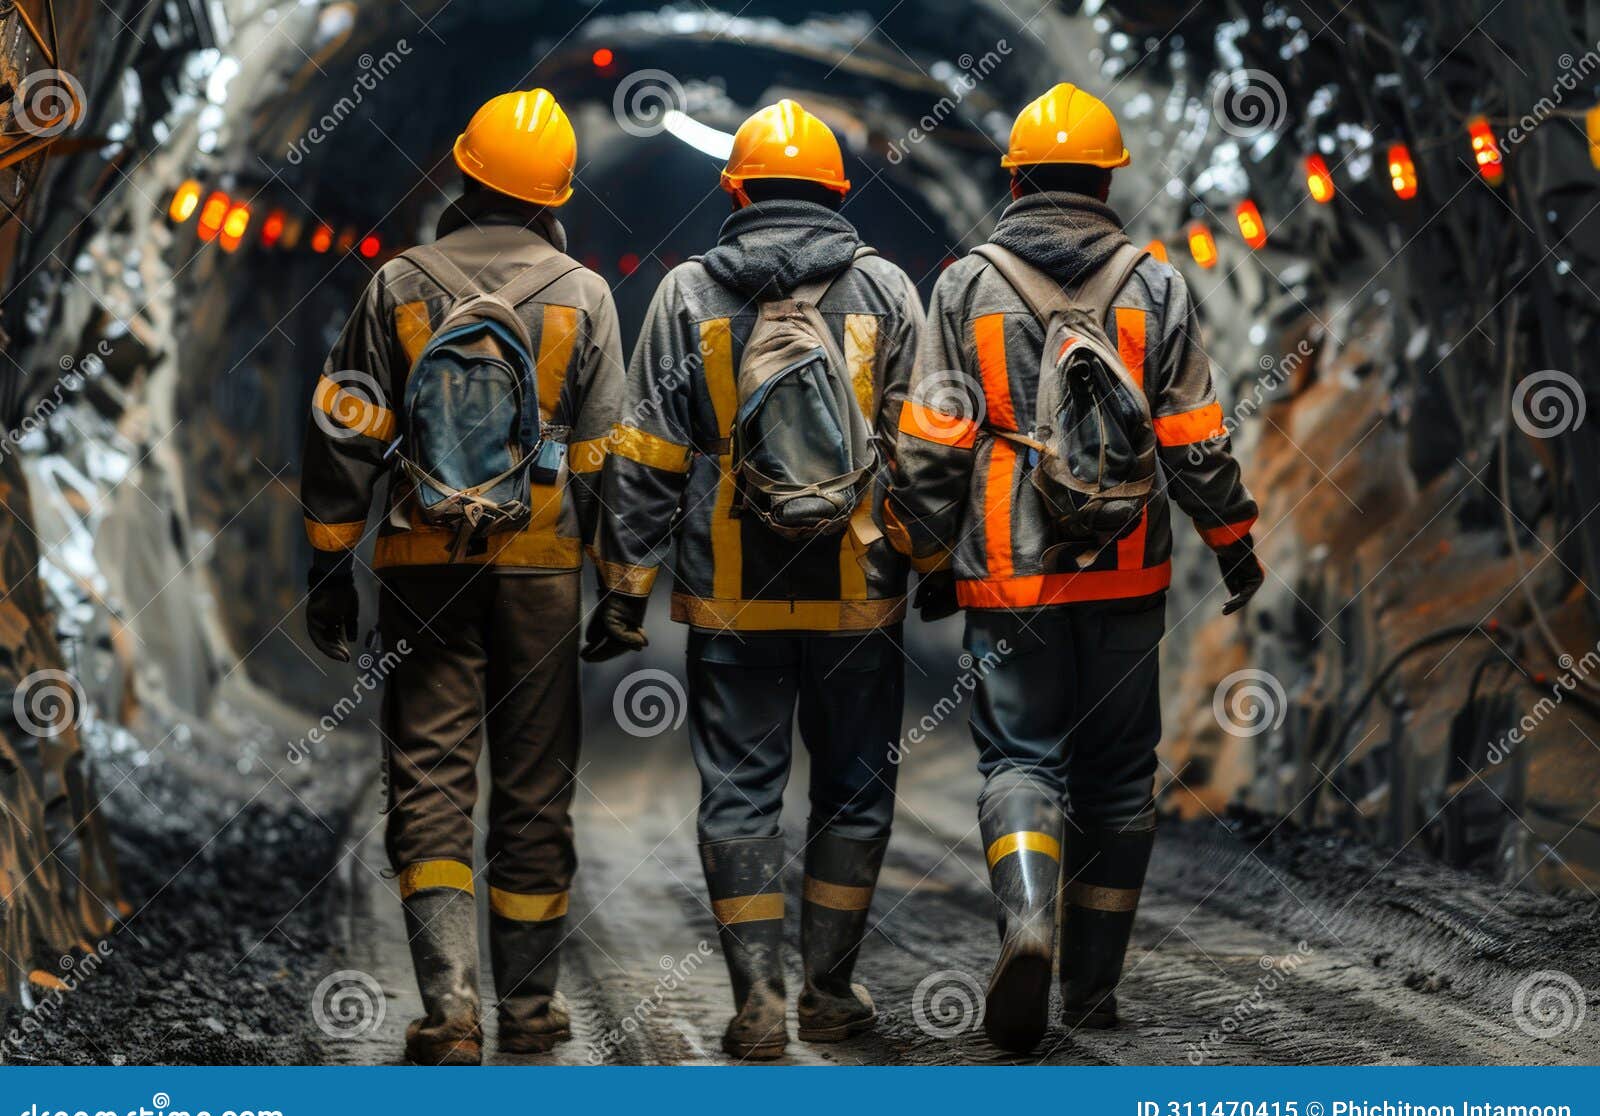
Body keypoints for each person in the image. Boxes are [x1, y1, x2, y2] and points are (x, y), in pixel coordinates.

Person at [886, 83, 1263, 1053]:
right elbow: (1194, 441)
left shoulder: (967, 284)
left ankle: (1026, 922)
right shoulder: (1158, 284)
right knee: (1117, 779)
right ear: (1106, 179)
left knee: (1019, 759)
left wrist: (926, 553)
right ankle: (1093, 990)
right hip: (1128, 570)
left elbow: (932, 445)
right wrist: (1233, 541)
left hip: (1009, 575)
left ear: (1012, 175)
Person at [586, 99, 923, 1060]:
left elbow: (645, 454)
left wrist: (623, 587)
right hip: (859, 588)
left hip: (731, 597)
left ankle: (758, 1002)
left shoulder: (689, 294)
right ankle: (831, 990)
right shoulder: (889, 292)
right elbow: (926, 447)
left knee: (739, 793)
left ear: (733, 190)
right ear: (837, 191)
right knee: (855, 790)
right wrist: (933, 562)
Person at [299, 88, 624, 1065]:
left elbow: (345, 429)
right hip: (539, 563)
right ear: (555, 196)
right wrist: (619, 583)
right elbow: (608, 457)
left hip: (417, 556)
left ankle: (448, 1009)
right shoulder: (585, 293)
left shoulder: (396, 283)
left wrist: (328, 568)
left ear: (463, 175)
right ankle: (528, 1011)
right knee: (533, 786)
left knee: (428, 779)